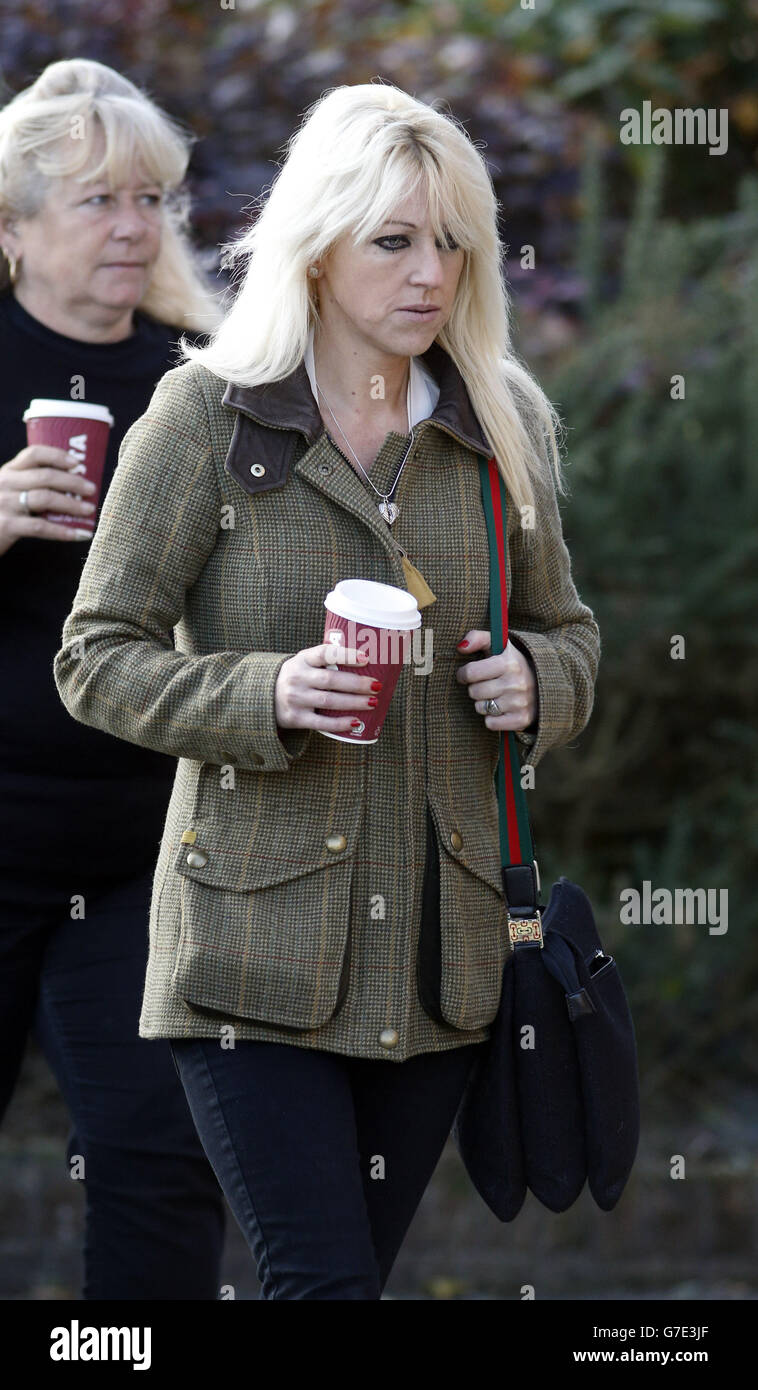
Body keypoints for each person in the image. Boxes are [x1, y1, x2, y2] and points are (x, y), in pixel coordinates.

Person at [54, 82, 601, 1300]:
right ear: (315, 246)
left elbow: (566, 630)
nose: (432, 273)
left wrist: (538, 683)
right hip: (248, 957)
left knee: (344, 1279)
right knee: (323, 1286)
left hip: (439, 961)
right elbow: (94, 654)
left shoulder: (496, 424)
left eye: (453, 241)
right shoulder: (200, 420)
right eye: (394, 240)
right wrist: (269, 695)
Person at [0, 58, 226, 1300]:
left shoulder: (207, 379)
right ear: (12, 230)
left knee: (157, 1160)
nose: (136, 227)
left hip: (145, 849)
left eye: (152, 199)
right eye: (97, 201)